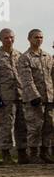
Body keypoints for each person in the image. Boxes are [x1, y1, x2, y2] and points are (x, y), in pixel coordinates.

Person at [15, 29, 53, 164]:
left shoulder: (47, 57)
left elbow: (52, 77)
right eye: (36, 37)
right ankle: (33, 154)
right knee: (34, 127)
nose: (39, 39)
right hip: (33, 100)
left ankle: (45, 153)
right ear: (29, 39)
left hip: (49, 98)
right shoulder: (25, 58)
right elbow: (26, 79)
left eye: (41, 37)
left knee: (49, 126)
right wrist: (34, 95)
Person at [0, 28, 24, 164]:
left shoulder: (19, 55)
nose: (9, 40)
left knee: (22, 126)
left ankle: (22, 153)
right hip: (4, 98)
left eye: (11, 37)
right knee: (5, 126)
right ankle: (6, 154)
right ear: (0, 39)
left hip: (21, 96)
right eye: (6, 38)